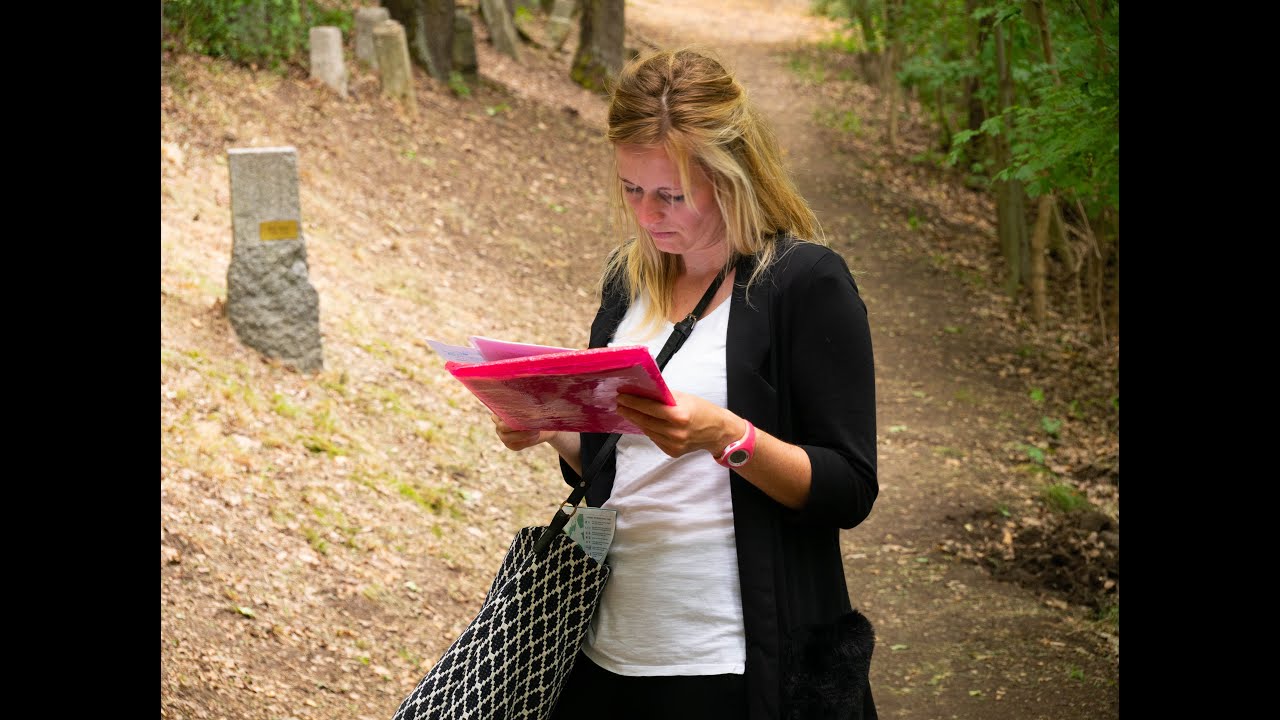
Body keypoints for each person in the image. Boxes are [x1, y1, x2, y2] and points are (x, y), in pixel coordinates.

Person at [492, 47, 879, 720]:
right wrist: (551, 428)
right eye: (631, 190)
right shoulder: (627, 281)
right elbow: (617, 466)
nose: (648, 215)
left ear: (732, 176)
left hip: (730, 658)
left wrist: (727, 436)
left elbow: (848, 487)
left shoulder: (805, 283)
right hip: (604, 645)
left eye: (671, 195)